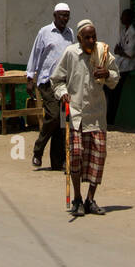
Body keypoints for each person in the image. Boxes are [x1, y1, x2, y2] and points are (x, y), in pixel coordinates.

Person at [51, 19, 120, 216]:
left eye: (94, 37)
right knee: (76, 158)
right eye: (87, 37)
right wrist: (62, 93)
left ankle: (90, 199)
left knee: (97, 160)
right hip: (76, 115)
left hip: (97, 116)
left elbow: (116, 78)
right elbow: (57, 80)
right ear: (80, 38)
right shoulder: (71, 54)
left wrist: (107, 74)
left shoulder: (103, 52)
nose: (91, 41)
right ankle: (78, 198)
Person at [26, 4, 74, 170]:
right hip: (47, 81)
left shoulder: (70, 34)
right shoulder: (44, 32)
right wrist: (30, 77)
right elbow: (35, 54)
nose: (64, 18)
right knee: (53, 116)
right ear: (54, 15)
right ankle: (38, 151)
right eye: (61, 15)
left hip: (64, 83)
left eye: (67, 15)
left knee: (62, 123)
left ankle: (57, 161)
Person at [106, 8, 135, 125]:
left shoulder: (134, 34)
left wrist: (121, 51)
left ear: (130, 18)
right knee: (108, 88)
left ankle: (110, 120)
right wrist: (121, 51)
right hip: (121, 65)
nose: (121, 18)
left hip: (130, 66)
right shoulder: (123, 31)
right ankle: (108, 118)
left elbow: (130, 54)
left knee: (115, 92)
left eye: (124, 16)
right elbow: (117, 49)